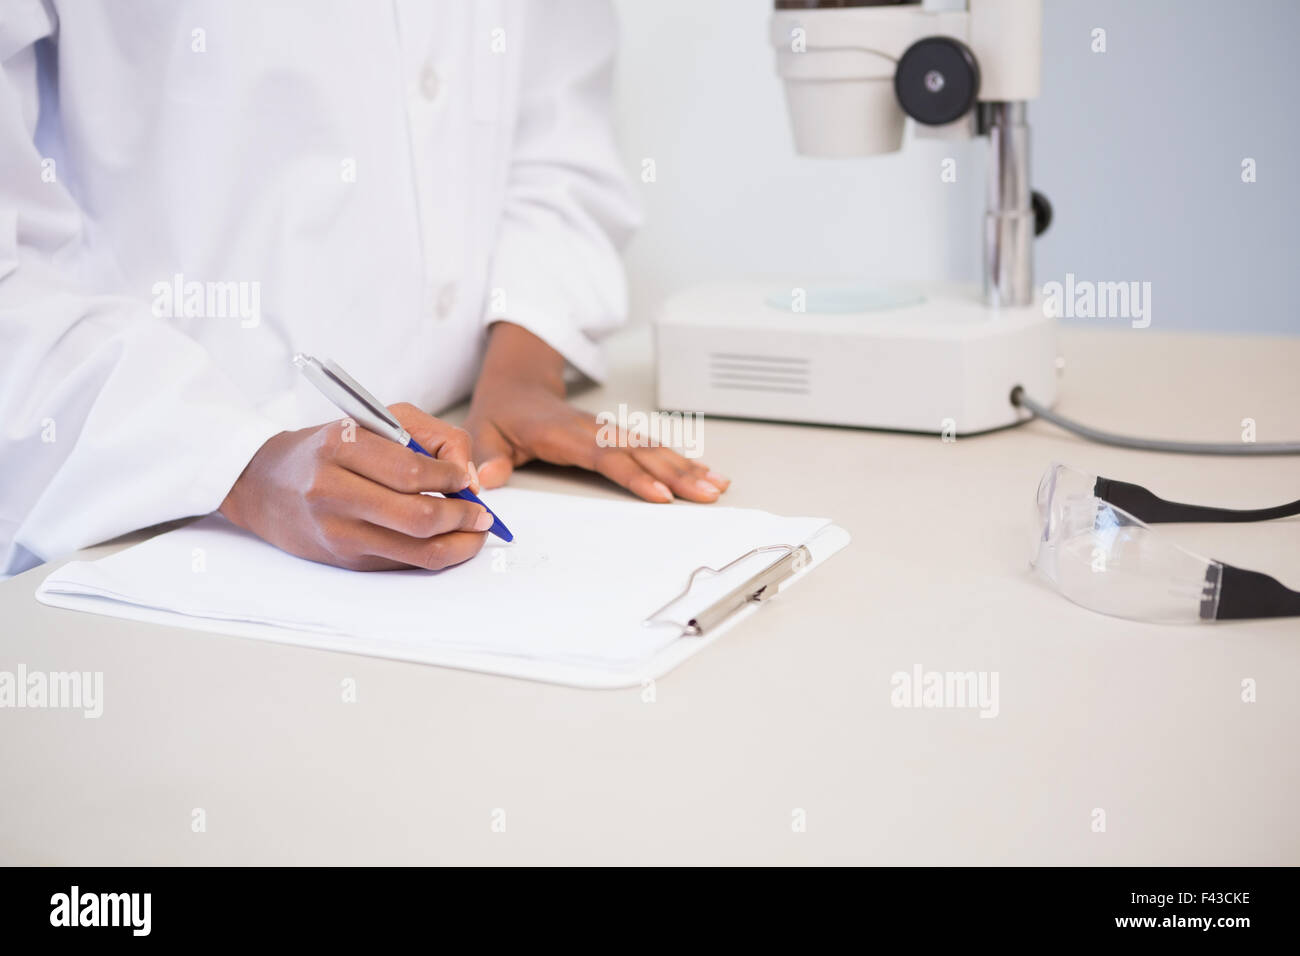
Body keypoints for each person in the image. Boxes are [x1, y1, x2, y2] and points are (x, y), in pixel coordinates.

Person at [0, 0, 729, 576]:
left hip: (457, 441)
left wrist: (523, 369)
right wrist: (231, 461)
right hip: (134, 507)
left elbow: (556, 140)